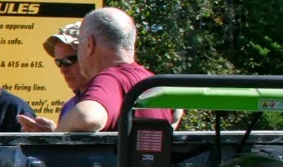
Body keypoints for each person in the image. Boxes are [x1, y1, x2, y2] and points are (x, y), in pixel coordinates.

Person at [17, 7, 176, 133]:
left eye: (71, 59)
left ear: (88, 45)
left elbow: (87, 117)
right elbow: (176, 112)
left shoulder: (110, 79)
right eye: (59, 63)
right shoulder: (150, 80)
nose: (63, 69)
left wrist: (58, 136)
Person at [43, 21, 87, 121]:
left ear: (90, 54)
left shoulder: (111, 97)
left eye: (69, 60)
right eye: (58, 62)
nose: (63, 70)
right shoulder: (68, 106)